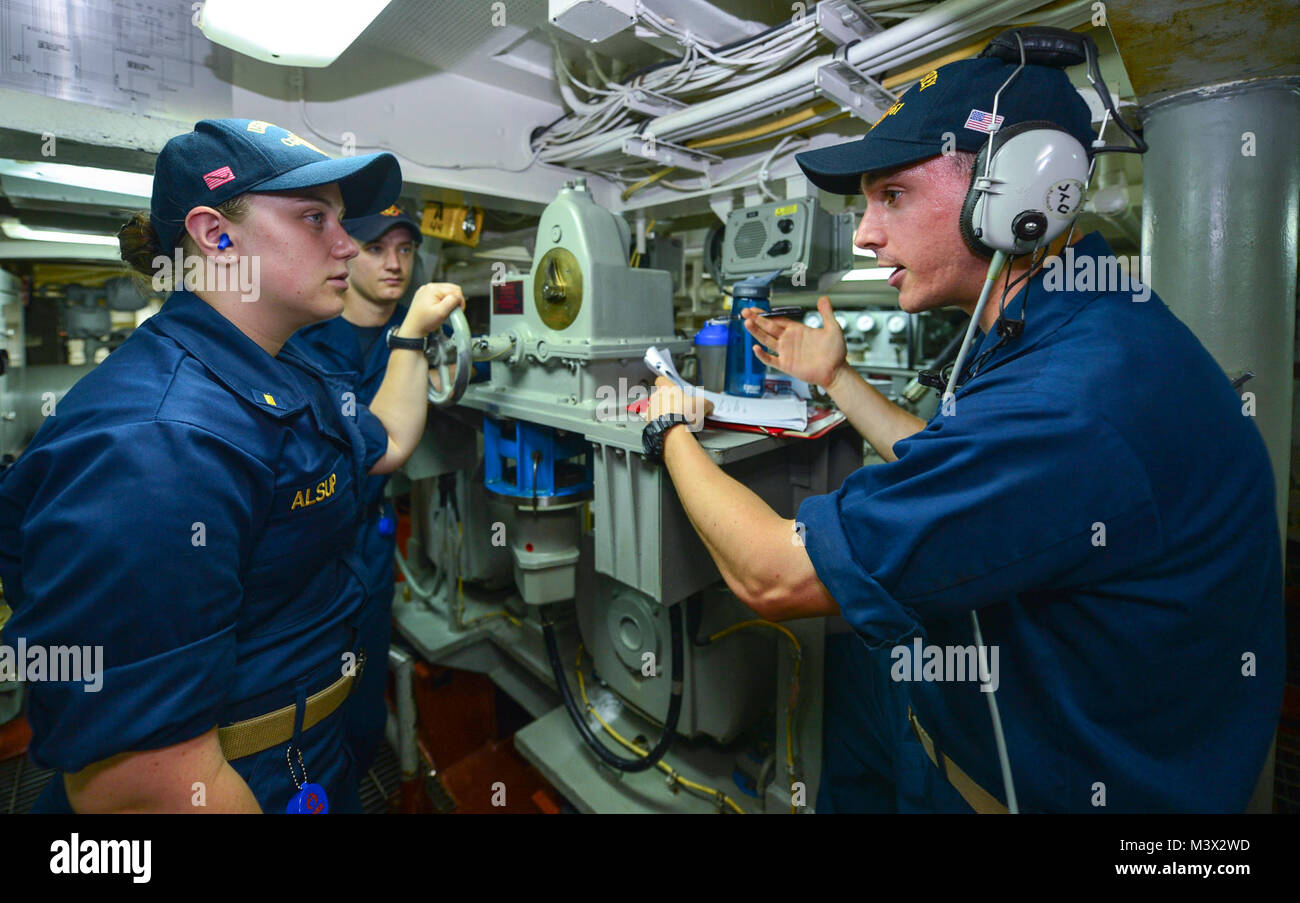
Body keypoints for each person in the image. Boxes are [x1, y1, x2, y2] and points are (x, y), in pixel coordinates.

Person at [643, 54, 1284, 812]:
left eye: (893, 195)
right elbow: (961, 473)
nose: (867, 236)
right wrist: (838, 381)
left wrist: (670, 428)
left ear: (1013, 193)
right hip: (962, 708)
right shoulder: (1073, 325)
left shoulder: (1072, 397)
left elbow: (768, 575)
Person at [0, 118, 465, 813]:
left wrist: (409, 338)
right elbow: (147, 789)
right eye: (316, 218)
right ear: (217, 235)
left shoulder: (286, 365)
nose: (348, 243)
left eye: (343, 218)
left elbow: (385, 441)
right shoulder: (156, 444)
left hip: (305, 754)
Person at [287, 203, 423, 803]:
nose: (394, 264)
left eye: (406, 249)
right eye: (376, 248)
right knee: (301, 703)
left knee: (363, 700)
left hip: (371, 541)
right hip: (305, 549)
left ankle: (356, 776)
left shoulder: (428, 335)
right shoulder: (301, 340)